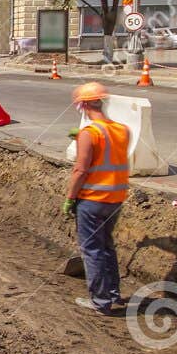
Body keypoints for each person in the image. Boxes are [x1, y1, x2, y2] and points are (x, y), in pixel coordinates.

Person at [63, 82, 130, 315]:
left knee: (92, 250)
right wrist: (81, 138)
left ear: (81, 105)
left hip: (92, 200)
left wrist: (70, 198)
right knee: (106, 246)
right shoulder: (123, 130)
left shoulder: (89, 133)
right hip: (115, 199)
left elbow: (81, 170)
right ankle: (113, 295)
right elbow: (108, 152)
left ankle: (100, 302)